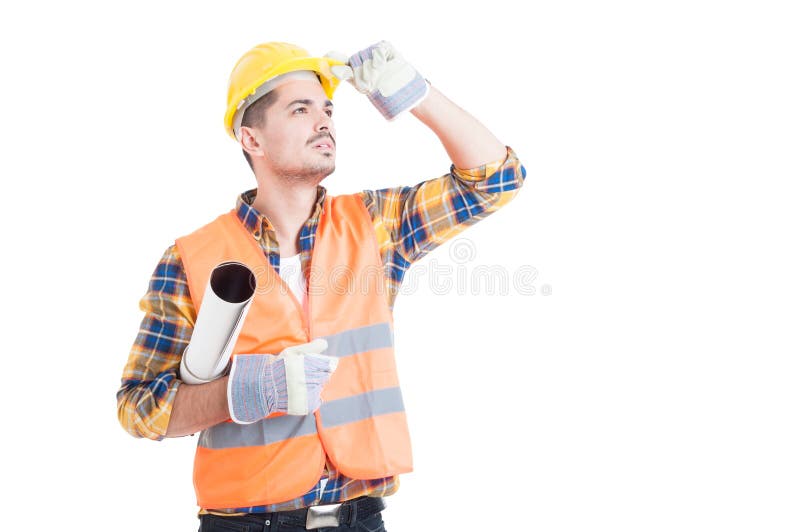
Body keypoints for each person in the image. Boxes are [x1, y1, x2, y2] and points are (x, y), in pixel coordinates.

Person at [117, 40, 527, 531]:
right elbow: (138, 408)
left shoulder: (375, 226)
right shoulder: (190, 259)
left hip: (360, 519)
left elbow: (497, 178)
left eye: (328, 109)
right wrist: (249, 392)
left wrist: (417, 95)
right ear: (252, 140)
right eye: (300, 109)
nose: (324, 121)